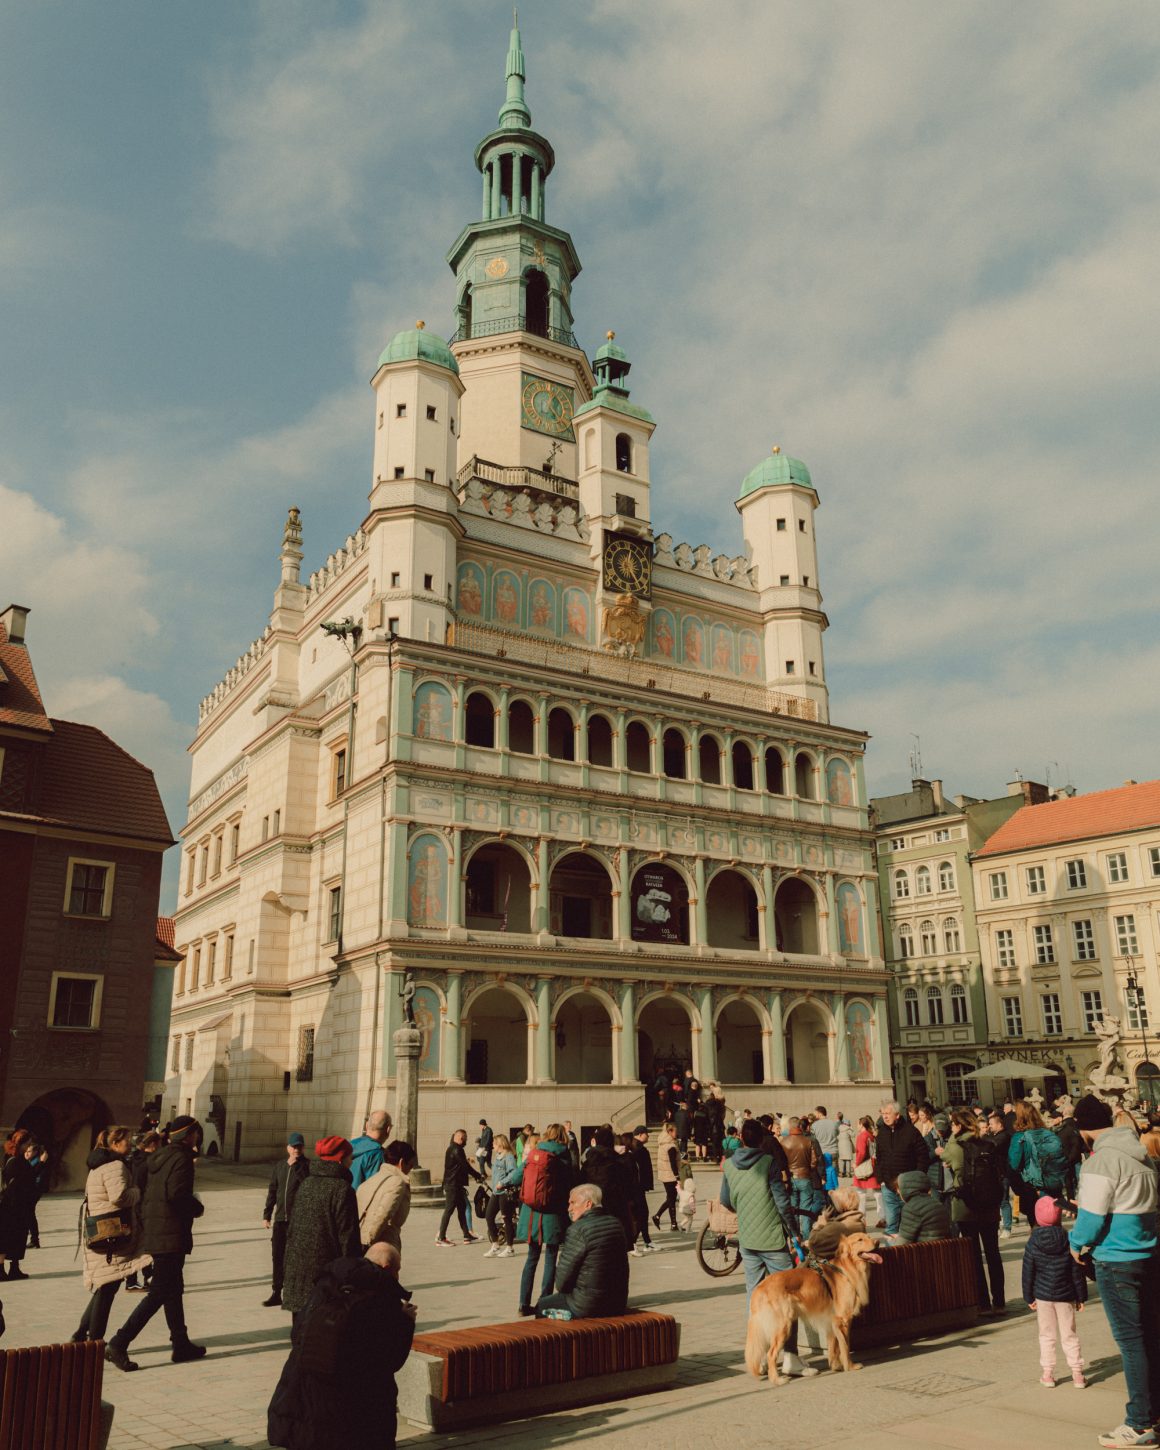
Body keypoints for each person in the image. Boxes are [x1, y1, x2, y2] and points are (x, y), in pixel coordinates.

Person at [1069, 1093, 1159, 1447]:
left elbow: (1091, 1220)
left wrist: (1075, 1243)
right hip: (1147, 1253)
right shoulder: (1142, 1155)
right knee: (1150, 1336)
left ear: (1083, 1129)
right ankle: (1154, 1416)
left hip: (1115, 1259)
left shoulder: (1101, 1161)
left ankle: (1138, 1422)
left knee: (1130, 1342)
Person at [267, 1242, 416, 1450]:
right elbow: (390, 1359)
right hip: (352, 1408)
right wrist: (405, 1322)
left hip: (302, 1394)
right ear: (386, 1268)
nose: (398, 1277)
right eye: (397, 1270)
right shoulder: (381, 1295)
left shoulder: (327, 1283)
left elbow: (298, 1332)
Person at [105, 1116, 206, 1372]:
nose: (197, 1138)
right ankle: (119, 1342)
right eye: (195, 1133)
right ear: (188, 1136)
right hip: (170, 1233)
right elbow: (176, 1195)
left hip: (157, 1230)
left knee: (173, 1288)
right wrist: (197, 1207)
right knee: (161, 1291)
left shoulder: (159, 1158)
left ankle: (180, 1343)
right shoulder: (182, 1158)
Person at [718, 1117, 816, 1379]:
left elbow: (725, 1200)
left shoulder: (728, 1166)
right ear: (760, 1139)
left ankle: (758, 1355)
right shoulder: (768, 1163)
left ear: (740, 1137)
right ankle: (790, 1357)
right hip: (772, 1238)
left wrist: (746, 1210)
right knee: (788, 1295)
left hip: (748, 1239)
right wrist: (795, 1232)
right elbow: (782, 1202)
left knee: (755, 1299)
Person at [72, 1126, 146, 1342]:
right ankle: (95, 1340)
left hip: (101, 1232)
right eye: (126, 1140)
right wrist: (138, 1191)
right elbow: (120, 1197)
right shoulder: (115, 1166)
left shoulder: (98, 1165)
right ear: (114, 1144)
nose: (130, 1143)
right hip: (112, 1234)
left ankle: (80, 1334)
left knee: (106, 1285)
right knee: (108, 1289)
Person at [281, 1137, 361, 1324]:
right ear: (341, 1160)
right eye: (350, 1158)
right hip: (326, 1278)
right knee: (321, 1339)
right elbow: (348, 1239)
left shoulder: (306, 1183)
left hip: (297, 1273)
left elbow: (292, 1229)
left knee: (300, 1333)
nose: (352, 1162)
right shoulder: (342, 1189)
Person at [940, 1108, 1005, 1315]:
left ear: (958, 1126)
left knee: (975, 1256)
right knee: (993, 1253)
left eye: (953, 1124)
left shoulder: (956, 1146)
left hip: (966, 1206)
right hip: (990, 1205)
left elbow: (945, 1155)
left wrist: (953, 1136)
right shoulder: (987, 1143)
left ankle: (984, 1304)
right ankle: (1000, 1302)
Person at [535, 1184, 629, 1319]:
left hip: (587, 1305)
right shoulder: (615, 1223)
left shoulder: (578, 1229)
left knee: (542, 1305)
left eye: (573, 1203)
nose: (569, 1208)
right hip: (617, 1302)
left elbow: (561, 1283)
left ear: (588, 1204)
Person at [1023, 1197, 1087, 1389]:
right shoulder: (1068, 1239)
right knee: (1069, 1334)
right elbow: (1076, 1270)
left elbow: (1028, 1271)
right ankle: (1077, 1374)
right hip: (1065, 1296)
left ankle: (1048, 1374)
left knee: (1046, 1335)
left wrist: (1028, 1296)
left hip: (1043, 1296)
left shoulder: (1033, 1242)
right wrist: (1081, 1296)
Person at [514, 1124, 573, 1316]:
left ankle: (523, 1304)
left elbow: (518, 1175)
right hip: (553, 1213)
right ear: (563, 1136)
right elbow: (570, 1183)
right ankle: (544, 1303)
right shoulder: (564, 1155)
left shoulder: (535, 1153)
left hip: (530, 1213)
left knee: (531, 1257)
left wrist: (503, 1182)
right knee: (550, 1257)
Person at [262, 1133, 310, 1307]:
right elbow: (273, 1190)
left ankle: (293, 1292)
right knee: (277, 1256)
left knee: (294, 1258)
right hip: (280, 1219)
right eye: (294, 1147)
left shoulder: (306, 1166)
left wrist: (297, 1167)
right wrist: (267, 1214)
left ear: (303, 1148)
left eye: (299, 1147)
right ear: (288, 1148)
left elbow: (306, 1185)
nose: (296, 1150)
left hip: (297, 1221)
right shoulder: (280, 1166)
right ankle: (276, 1292)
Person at [874, 1101, 930, 1236]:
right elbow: (879, 1157)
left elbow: (923, 1156)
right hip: (888, 1186)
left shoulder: (911, 1131)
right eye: (883, 1114)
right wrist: (880, 1178)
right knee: (891, 1226)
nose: (885, 1117)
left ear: (897, 1115)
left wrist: (917, 1179)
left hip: (908, 1187)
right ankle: (893, 1255)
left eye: (888, 1113)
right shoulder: (881, 1133)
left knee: (910, 1225)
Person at [1008, 1100, 1068, 1222]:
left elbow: (1014, 1164)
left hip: (1033, 1187)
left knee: (1038, 1224)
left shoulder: (1020, 1137)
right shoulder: (1047, 1133)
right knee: (1054, 1221)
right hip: (1053, 1183)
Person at [357, 1140, 415, 1252]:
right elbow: (383, 1213)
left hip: (360, 1239)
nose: (410, 1170)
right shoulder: (397, 1182)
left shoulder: (367, 1182)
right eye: (410, 1165)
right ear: (402, 1162)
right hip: (381, 1245)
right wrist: (369, 1242)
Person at [581, 1126, 634, 1246]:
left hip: (593, 1209)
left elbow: (581, 1185)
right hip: (615, 1211)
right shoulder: (619, 1163)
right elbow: (628, 1188)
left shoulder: (587, 1163)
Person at [0, 1129, 38, 1280]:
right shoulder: (14, 1160)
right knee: (4, 1238)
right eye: (27, 1143)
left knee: (18, 1237)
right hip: (10, 1207)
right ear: (20, 1143)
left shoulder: (20, 1159)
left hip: (19, 1206)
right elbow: (15, 1185)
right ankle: (1, 1270)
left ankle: (14, 1268)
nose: (29, 1146)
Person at [436, 1129, 481, 1246]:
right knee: (449, 1210)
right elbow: (465, 1166)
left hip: (456, 1185)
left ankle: (466, 1235)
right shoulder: (457, 1149)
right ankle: (441, 1238)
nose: (466, 1140)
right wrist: (477, 1175)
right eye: (465, 1138)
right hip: (453, 1185)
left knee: (462, 1209)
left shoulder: (453, 1148)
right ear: (461, 1138)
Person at [783, 1117, 823, 1238]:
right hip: (805, 1177)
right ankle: (806, 1238)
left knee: (792, 1209)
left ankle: (795, 1236)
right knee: (806, 1210)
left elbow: (781, 1162)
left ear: (789, 1127)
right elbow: (814, 1161)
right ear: (799, 1126)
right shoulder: (808, 1141)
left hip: (790, 1179)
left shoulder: (783, 1142)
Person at [806, 1187, 867, 1260]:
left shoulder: (837, 1226)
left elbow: (813, 1243)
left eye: (833, 1203)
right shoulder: (858, 1221)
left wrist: (820, 1224)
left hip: (830, 1265)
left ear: (841, 1205)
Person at [894, 1170, 952, 1244]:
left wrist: (893, 1241)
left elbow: (902, 1243)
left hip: (923, 1252)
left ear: (906, 1189)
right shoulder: (938, 1204)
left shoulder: (911, 1208)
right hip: (941, 1250)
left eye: (899, 1189)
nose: (898, 1192)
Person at [484, 1135, 519, 1257]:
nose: (492, 1145)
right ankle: (495, 1245)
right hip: (495, 1193)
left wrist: (503, 1182)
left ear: (500, 1144)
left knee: (506, 1219)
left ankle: (510, 1248)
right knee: (489, 1216)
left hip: (505, 1192)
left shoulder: (508, 1157)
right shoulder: (497, 1157)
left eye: (494, 1143)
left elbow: (514, 1172)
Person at [627, 1127, 658, 1255]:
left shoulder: (637, 1148)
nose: (649, 1137)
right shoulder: (637, 1149)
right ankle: (632, 1244)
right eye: (647, 1134)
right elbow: (637, 1170)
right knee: (640, 1215)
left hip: (638, 1187)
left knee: (643, 1214)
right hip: (636, 1188)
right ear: (640, 1135)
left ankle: (647, 1241)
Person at [986, 1110, 1014, 1237]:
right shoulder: (994, 1136)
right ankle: (1000, 1224)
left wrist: (984, 1137)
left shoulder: (1004, 1136)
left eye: (991, 1124)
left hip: (1002, 1173)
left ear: (999, 1125)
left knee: (1004, 1200)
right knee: (996, 1201)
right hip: (995, 1173)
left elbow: (993, 1146)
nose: (989, 1126)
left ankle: (1007, 1227)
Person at [348, 1110, 392, 1190]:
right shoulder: (378, 1154)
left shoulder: (347, 1147)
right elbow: (374, 1190)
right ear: (388, 1129)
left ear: (367, 1125)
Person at [652, 1122, 680, 1231]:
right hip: (670, 1175)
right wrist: (677, 1176)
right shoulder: (671, 1146)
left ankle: (673, 1224)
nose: (676, 1134)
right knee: (671, 1198)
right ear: (669, 1132)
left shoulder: (663, 1143)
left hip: (665, 1175)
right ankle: (658, 1216)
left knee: (671, 1198)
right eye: (675, 1132)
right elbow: (673, 1163)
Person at [852, 1115, 880, 1219]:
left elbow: (862, 1152)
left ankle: (862, 1217)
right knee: (877, 1193)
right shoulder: (870, 1135)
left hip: (863, 1167)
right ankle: (882, 1217)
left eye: (858, 1124)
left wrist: (856, 1164)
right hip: (873, 1164)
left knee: (861, 1193)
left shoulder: (861, 1136)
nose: (857, 1126)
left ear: (861, 1125)